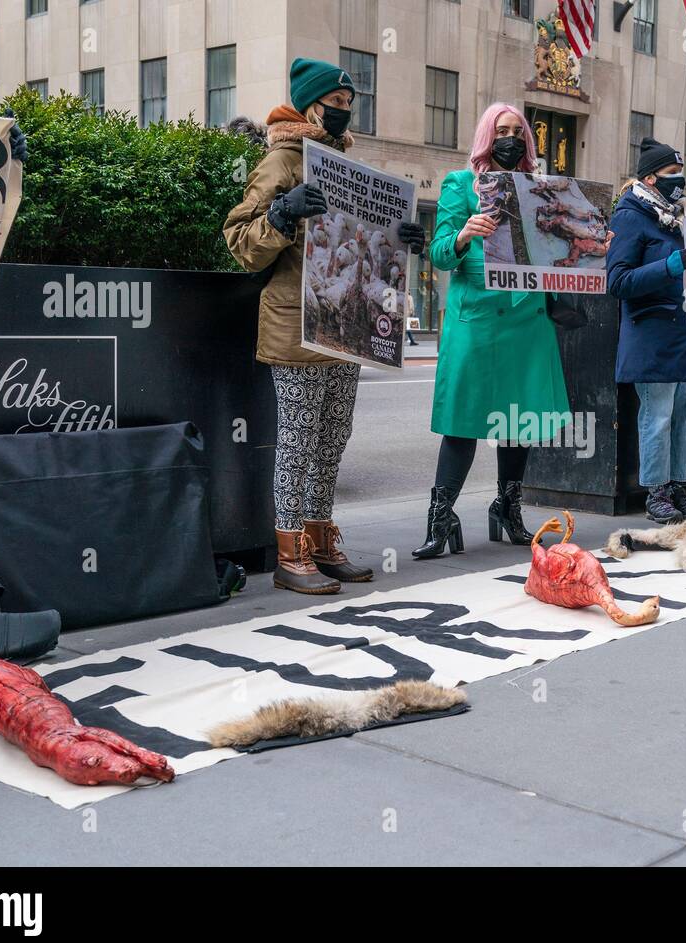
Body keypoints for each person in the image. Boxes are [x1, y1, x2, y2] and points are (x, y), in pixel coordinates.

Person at [225, 58, 425, 593]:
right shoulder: (283, 161)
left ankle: (319, 539)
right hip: (295, 326)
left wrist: (402, 242)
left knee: (333, 439)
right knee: (298, 440)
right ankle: (291, 553)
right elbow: (240, 243)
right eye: (334, 103)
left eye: (347, 104)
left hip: (344, 332)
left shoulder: (342, 164)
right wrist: (281, 214)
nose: (343, 111)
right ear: (310, 103)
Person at [413, 102, 586, 558]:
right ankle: (441, 517)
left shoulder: (544, 189)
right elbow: (439, 255)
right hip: (478, 321)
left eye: (518, 132)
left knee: (518, 423)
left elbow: (558, 251)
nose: (510, 139)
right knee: (462, 422)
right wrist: (465, 233)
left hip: (527, 322)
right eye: (501, 131)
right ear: (487, 138)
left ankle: (507, 510)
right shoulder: (459, 184)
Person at [606, 137, 686, 523]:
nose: (680, 180)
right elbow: (618, 281)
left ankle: (676, 486)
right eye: (672, 173)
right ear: (650, 178)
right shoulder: (629, 216)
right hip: (653, 332)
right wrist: (669, 266)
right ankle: (656, 491)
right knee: (658, 416)